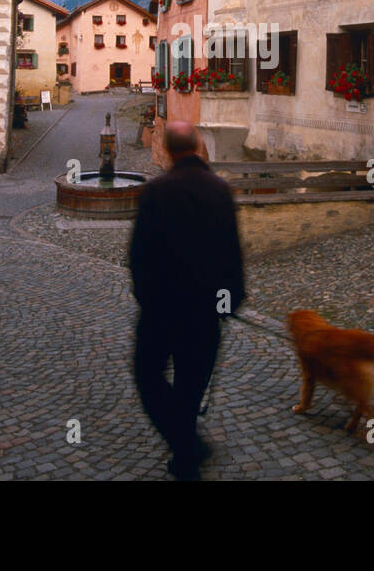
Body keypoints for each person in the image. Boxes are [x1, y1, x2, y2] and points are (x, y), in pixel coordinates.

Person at [128, 121, 245, 480]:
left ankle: (186, 449)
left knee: (147, 376)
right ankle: (187, 446)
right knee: (191, 387)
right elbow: (232, 256)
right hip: (204, 313)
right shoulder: (219, 191)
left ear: (167, 150)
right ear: (198, 146)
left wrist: (147, 298)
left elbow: (138, 256)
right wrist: (228, 305)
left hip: (161, 311)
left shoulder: (154, 192)